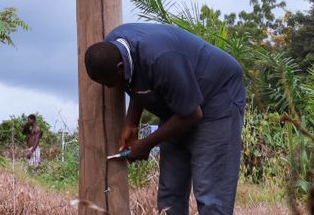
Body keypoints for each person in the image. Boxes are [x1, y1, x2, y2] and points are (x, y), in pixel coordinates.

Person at [85, 22, 245, 215]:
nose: (110, 88)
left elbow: (192, 115)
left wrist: (145, 145)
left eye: (110, 83)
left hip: (217, 100)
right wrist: (131, 123)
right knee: (170, 196)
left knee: (210, 196)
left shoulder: (160, 57)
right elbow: (137, 78)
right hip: (178, 107)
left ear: (120, 67)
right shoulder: (115, 47)